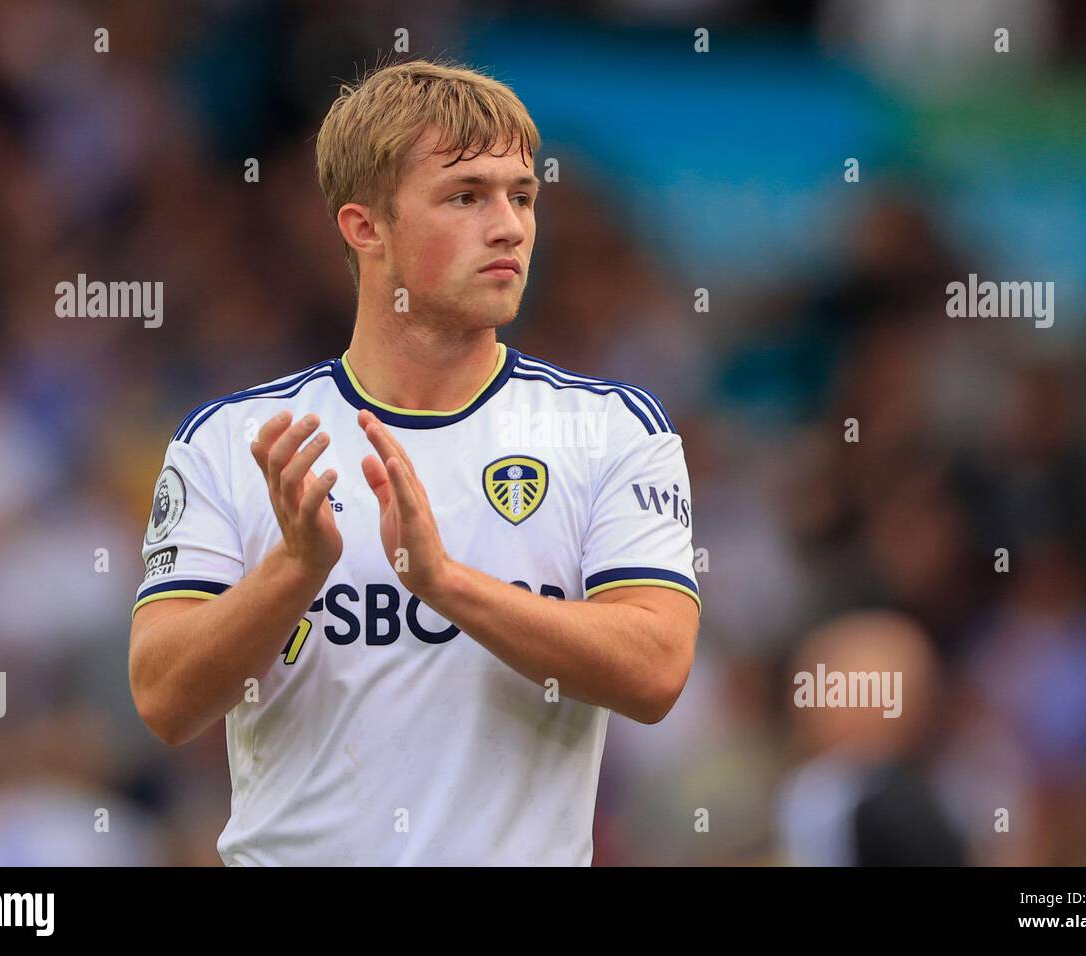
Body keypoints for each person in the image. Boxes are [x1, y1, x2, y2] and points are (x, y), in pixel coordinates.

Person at [127, 58, 701, 865]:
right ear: (366, 228)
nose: (509, 225)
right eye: (466, 196)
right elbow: (163, 699)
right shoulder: (235, 439)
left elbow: (657, 671)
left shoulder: (610, 430)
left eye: (523, 196)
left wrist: (447, 585)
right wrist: (294, 571)